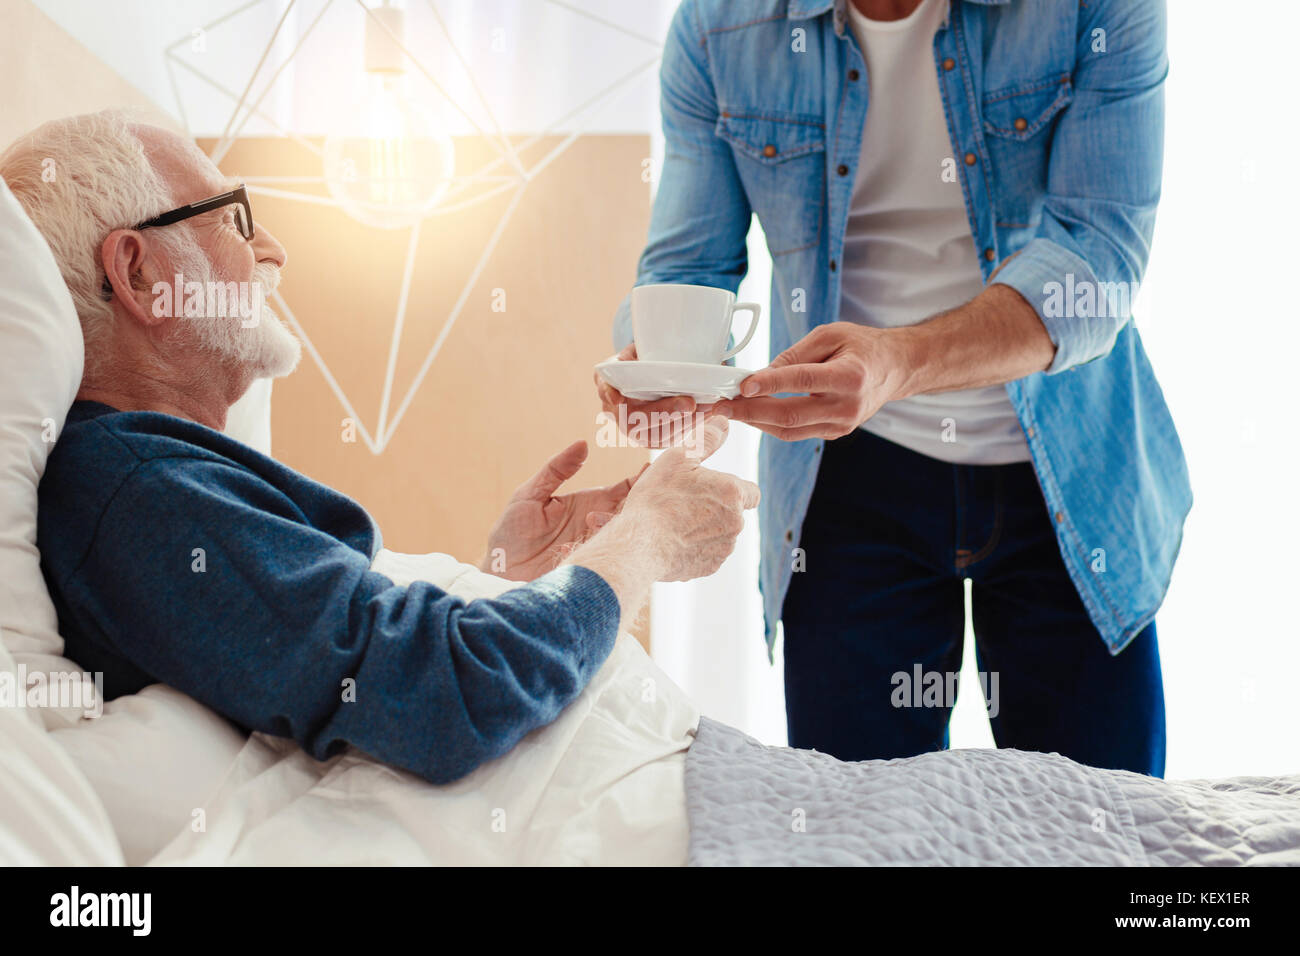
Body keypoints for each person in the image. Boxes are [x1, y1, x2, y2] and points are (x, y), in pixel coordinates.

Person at [3, 110, 757, 786]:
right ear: (138, 273)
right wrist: (643, 541)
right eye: (234, 218)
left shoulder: (161, 477)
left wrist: (505, 579)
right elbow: (452, 694)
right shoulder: (139, 489)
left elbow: (366, 656)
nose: (274, 250)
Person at [597, 0, 1188, 775]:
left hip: (1073, 483)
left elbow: (1099, 261)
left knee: (1107, 828)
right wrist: (666, 379)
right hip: (848, 492)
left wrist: (896, 363)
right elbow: (690, 266)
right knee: (853, 823)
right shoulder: (718, 27)